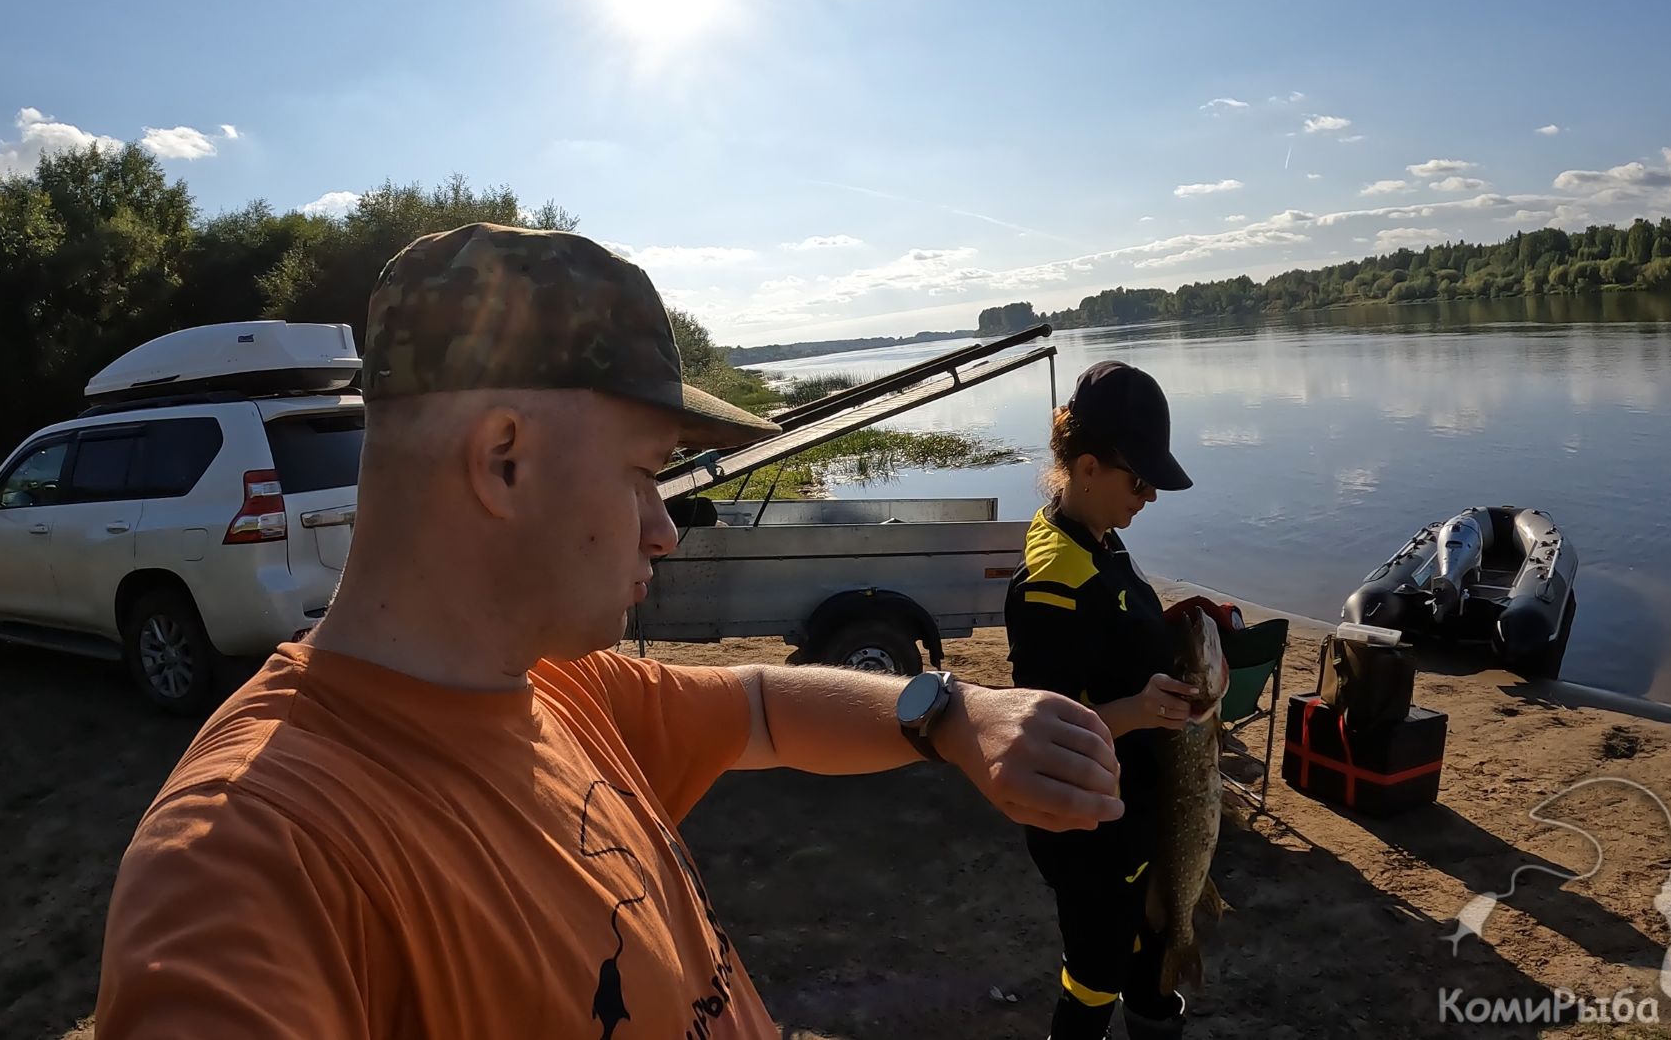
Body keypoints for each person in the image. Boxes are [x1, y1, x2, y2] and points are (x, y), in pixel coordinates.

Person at [92, 222, 1127, 1039]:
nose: (665, 528)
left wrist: (953, 714)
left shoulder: (553, 687)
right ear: (504, 457)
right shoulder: (254, 858)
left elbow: (762, 708)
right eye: (643, 472)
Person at [1003, 360, 1199, 1040]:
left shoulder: (1097, 538)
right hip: (1088, 827)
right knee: (1096, 970)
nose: (1148, 496)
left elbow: (1114, 640)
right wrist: (1139, 712)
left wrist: (1178, 634)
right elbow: (1036, 730)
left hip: (1138, 807)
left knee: (1152, 955)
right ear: (1087, 468)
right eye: (1138, 479)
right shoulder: (1050, 584)